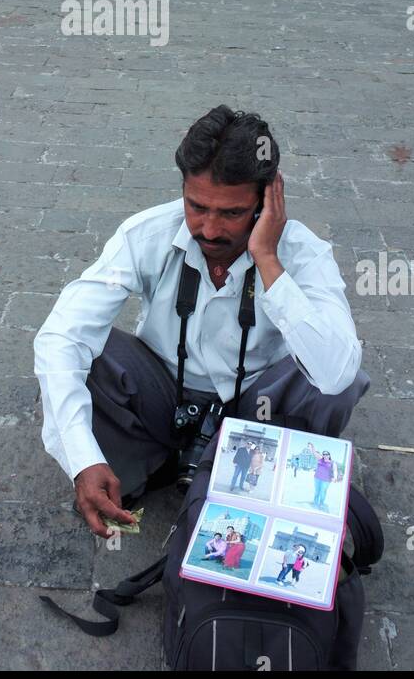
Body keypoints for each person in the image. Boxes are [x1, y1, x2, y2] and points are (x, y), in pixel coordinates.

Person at [33, 105, 369, 539]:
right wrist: (82, 459)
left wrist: (267, 259)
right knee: (84, 353)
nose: (209, 229)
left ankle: (257, 486)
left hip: (257, 410)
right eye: (196, 207)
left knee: (332, 379)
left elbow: (338, 371)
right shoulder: (146, 234)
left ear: (268, 200)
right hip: (161, 396)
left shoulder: (302, 252)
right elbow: (61, 337)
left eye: (231, 213)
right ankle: (146, 465)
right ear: (183, 191)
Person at [306, 442, 337, 509]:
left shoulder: (332, 462)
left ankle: (321, 503)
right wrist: (312, 446)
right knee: (317, 491)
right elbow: (314, 452)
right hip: (317, 478)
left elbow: (335, 470)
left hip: (326, 480)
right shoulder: (320, 459)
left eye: (327, 454)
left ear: (329, 455)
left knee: (322, 492)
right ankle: (315, 502)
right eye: (324, 454)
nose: (325, 455)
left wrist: (335, 477)